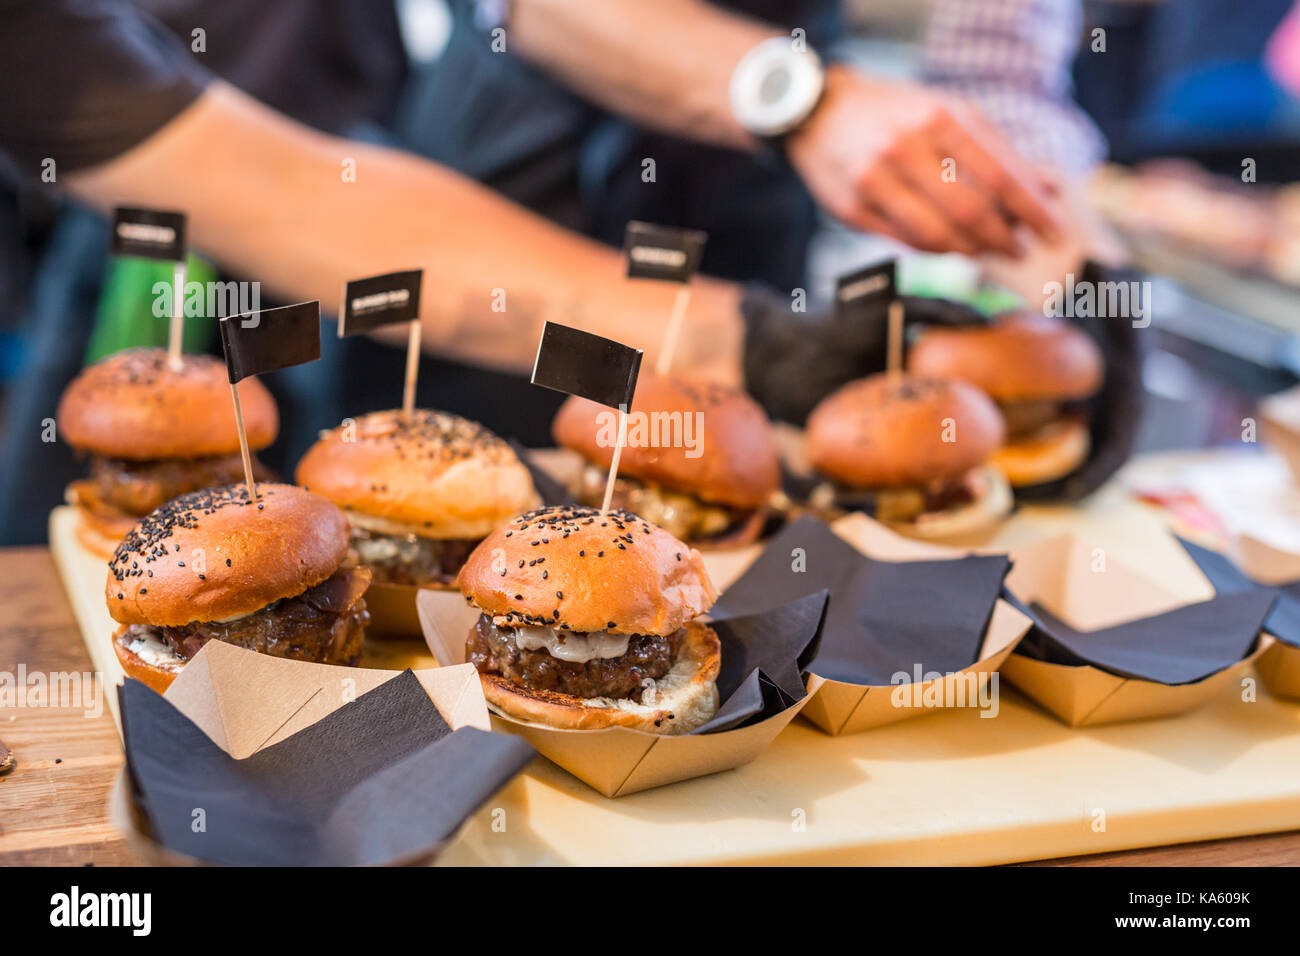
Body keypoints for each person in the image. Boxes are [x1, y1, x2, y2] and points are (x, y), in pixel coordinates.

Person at [0, 0, 1128, 544]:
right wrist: (795, 95)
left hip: (725, 194)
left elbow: (1003, 51)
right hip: (517, 151)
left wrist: (1061, 243)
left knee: (675, 485)